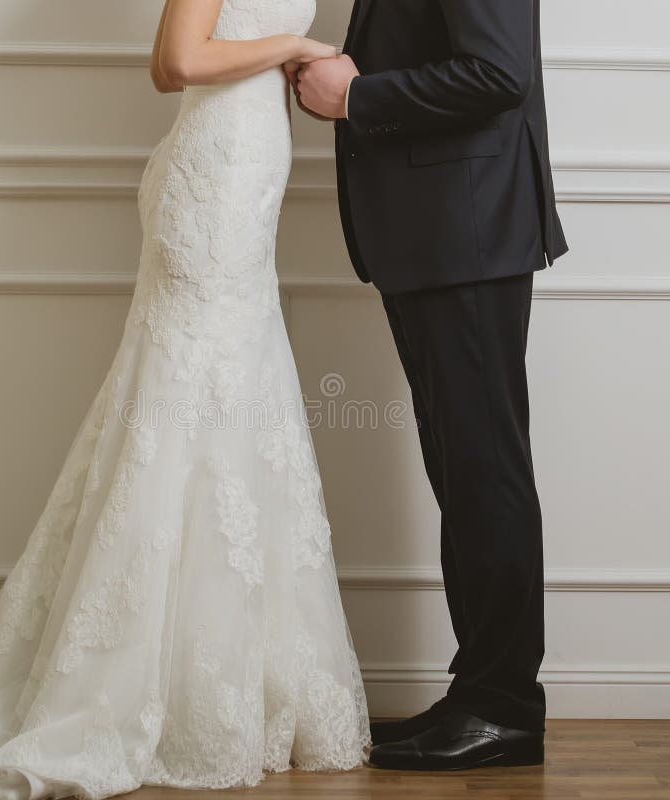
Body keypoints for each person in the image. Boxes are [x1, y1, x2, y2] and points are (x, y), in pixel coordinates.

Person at [0, 2, 371, 797]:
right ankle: (133, 688)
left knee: (237, 410)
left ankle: (225, 688)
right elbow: (176, 61)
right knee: (177, 413)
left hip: (250, 178)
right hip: (212, 184)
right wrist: (294, 44)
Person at [290, 0, 569, 772]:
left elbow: (497, 72)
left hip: (466, 228)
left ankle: (503, 707)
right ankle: (481, 690)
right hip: (442, 231)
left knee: (484, 470)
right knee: (464, 470)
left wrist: (356, 96)